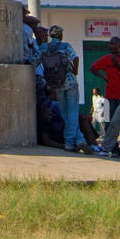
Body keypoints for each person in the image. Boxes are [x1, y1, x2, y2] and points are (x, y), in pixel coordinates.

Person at [40, 25, 95, 154]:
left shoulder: (44, 48)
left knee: (64, 113)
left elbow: (35, 61)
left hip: (56, 85)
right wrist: (74, 71)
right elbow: (75, 58)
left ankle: (73, 142)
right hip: (69, 82)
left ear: (50, 36)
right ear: (60, 36)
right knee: (73, 113)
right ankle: (76, 142)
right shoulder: (65, 46)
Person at [91, 36, 120, 160]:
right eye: (110, 44)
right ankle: (114, 150)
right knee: (110, 124)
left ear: (119, 45)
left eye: (114, 44)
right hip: (110, 97)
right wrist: (104, 77)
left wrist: (118, 65)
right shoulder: (106, 59)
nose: (111, 46)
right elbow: (93, 68)